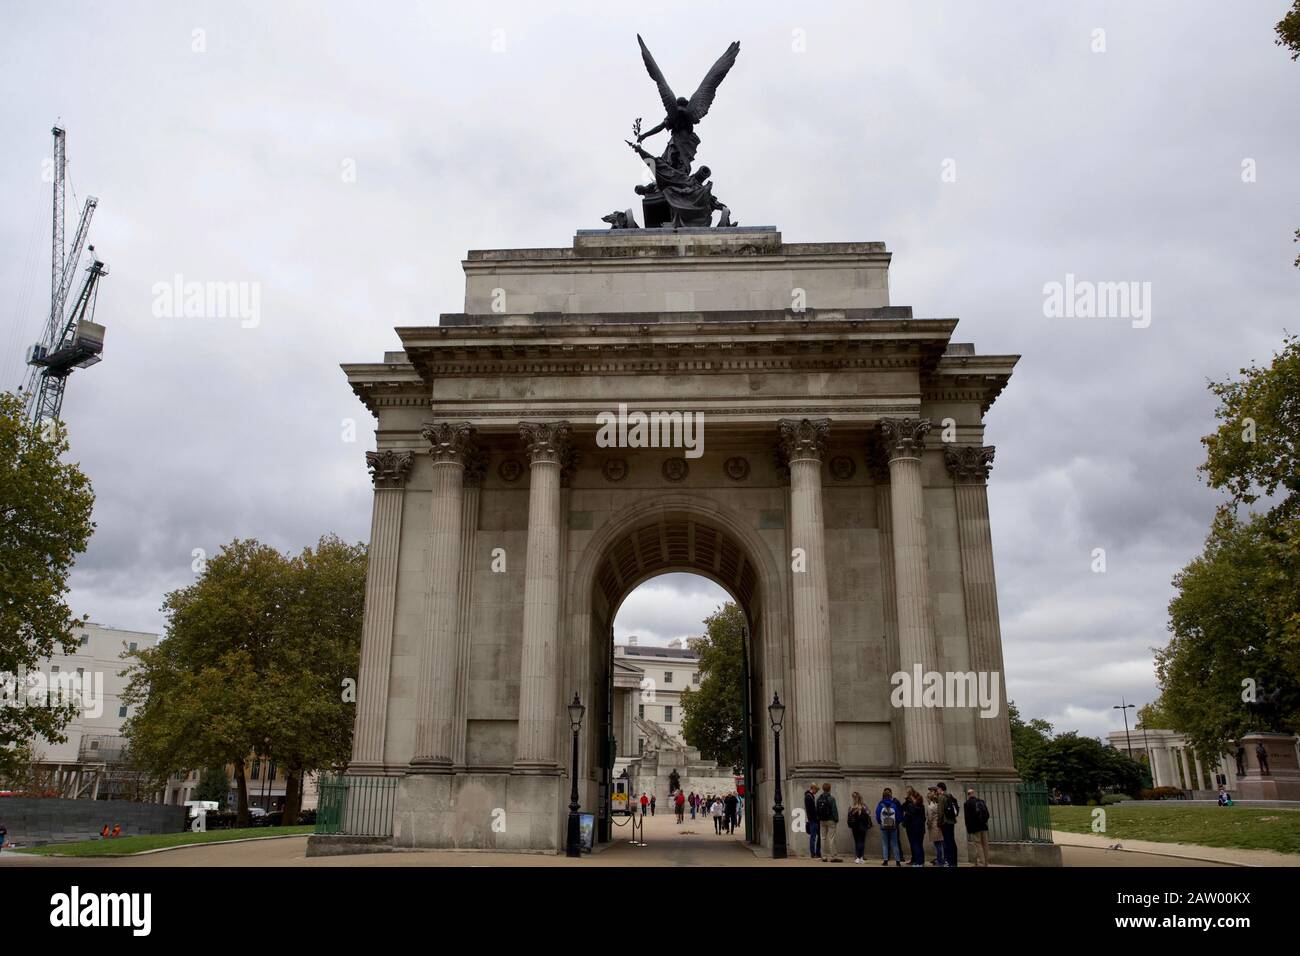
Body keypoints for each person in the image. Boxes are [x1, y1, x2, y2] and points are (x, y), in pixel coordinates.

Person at [875, 788, 903, 866]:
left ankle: (885, 861)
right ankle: (897, 861)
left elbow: (877, 815)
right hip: (893, 827)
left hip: (883, 827)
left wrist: (880, 823)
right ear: (890, 796)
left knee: (885, 843)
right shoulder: (893, 804)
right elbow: (898, 815)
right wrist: (896, 823)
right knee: (895, 843)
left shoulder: (880, 804)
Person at [963, 788, 991, 867]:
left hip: (975, 828)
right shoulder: (981, 801)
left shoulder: (967, 803)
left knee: (978, 845)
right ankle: (985, 863)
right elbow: (987, 815)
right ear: (973, 793)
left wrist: (968, 829)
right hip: (983, 826)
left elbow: (967, 818)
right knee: (985, 844)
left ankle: (981, 863)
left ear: (968, 795)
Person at [936, 782, 960, 867]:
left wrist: (938, 824)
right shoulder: (950, 795)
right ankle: (954, 862)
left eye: (937, 789)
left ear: (940, 788)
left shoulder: (941, 797)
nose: (937, 790)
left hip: (945, 822)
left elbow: (940, 812)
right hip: (952, 822)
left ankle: (949, 862)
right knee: (952, 842)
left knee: (947, 842)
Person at [816, 782, 841, 862]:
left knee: (823, 838)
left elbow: (817, 810)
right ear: (829, 789)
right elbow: (834, 810)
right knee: (831, 838)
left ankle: (823, 856)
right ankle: (833, 856)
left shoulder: (819, 798)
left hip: (822, 820)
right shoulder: (831, 798)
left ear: (823, 789)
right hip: (830, 820)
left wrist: (818, 819)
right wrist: (836, 819)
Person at [901, 788, 927, 866]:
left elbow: (907, 814)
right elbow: (924, 818)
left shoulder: (910, 806)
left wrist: (904, 822)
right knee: (919, 845)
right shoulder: (921, 806)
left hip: (912, 828)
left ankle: (918, 862)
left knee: (915, 845)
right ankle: (920, 861)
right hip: (920, 828)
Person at [846, 792, 872, 864]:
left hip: (855, 826)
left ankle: (858, 857)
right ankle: (860, 857)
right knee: (862, 841)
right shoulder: (864, 806)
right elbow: (869, 813)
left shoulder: (851, 806)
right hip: (863, 826)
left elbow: (849, 816)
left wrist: (855, 811)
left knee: (857, 841)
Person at [925, 787, 946, 866]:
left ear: (929, 798)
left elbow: (929, 819)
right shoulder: (937, 805)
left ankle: (939, 860)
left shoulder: (930, 806)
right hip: (939, 826)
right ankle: (941, 860)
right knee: (940, 844)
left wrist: (928, 825)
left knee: (937, 845)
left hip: (934, 827)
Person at [803, 782, 821, 859]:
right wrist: (815, 818)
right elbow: (811, 810)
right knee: (813, 837)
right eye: (816, 790)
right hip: (813, 820)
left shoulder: (810, 796)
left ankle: (816, 852)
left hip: (813, 819)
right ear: (813, 788)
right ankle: (814, 853)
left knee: (815, 837)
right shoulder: (808, 797)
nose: (816, 791)